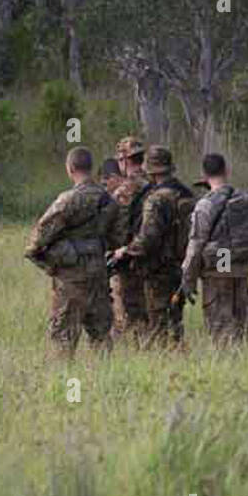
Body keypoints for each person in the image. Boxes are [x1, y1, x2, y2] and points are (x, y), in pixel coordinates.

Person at [25, 147, 128, 356]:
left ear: (70, 169)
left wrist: (51, 262)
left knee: (63, 339)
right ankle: (104, 383)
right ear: (91, 168)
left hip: (70, 280)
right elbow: (118, 239)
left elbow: (37, 239)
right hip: (98, 277)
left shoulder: (69, 200)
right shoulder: (109, 201)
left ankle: (64, 384)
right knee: (101, 338)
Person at [111, 145, 195, 348]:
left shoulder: (156, 200)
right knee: (175, 320)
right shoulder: (186, 194)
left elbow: (148, 238)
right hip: (182, 266)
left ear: (150, 170)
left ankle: (167, 363)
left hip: (159, 271)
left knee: (159, 327)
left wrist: (125, 251)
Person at [180, 152, 248, 345]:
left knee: (222, 323)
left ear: (204, 175)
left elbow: (196, 243)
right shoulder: (242, 199)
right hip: (240, 264)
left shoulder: (206, 204)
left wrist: (187, 278)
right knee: (241, 324)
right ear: (226, 171)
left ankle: (228, 357)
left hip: (221, 264)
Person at [108, 140, 152, 344]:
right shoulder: (158, 183)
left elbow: (116, 227)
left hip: (129, 260)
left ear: (124, 160)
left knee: (128, 318)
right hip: (158, 259)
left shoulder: (124, 191)